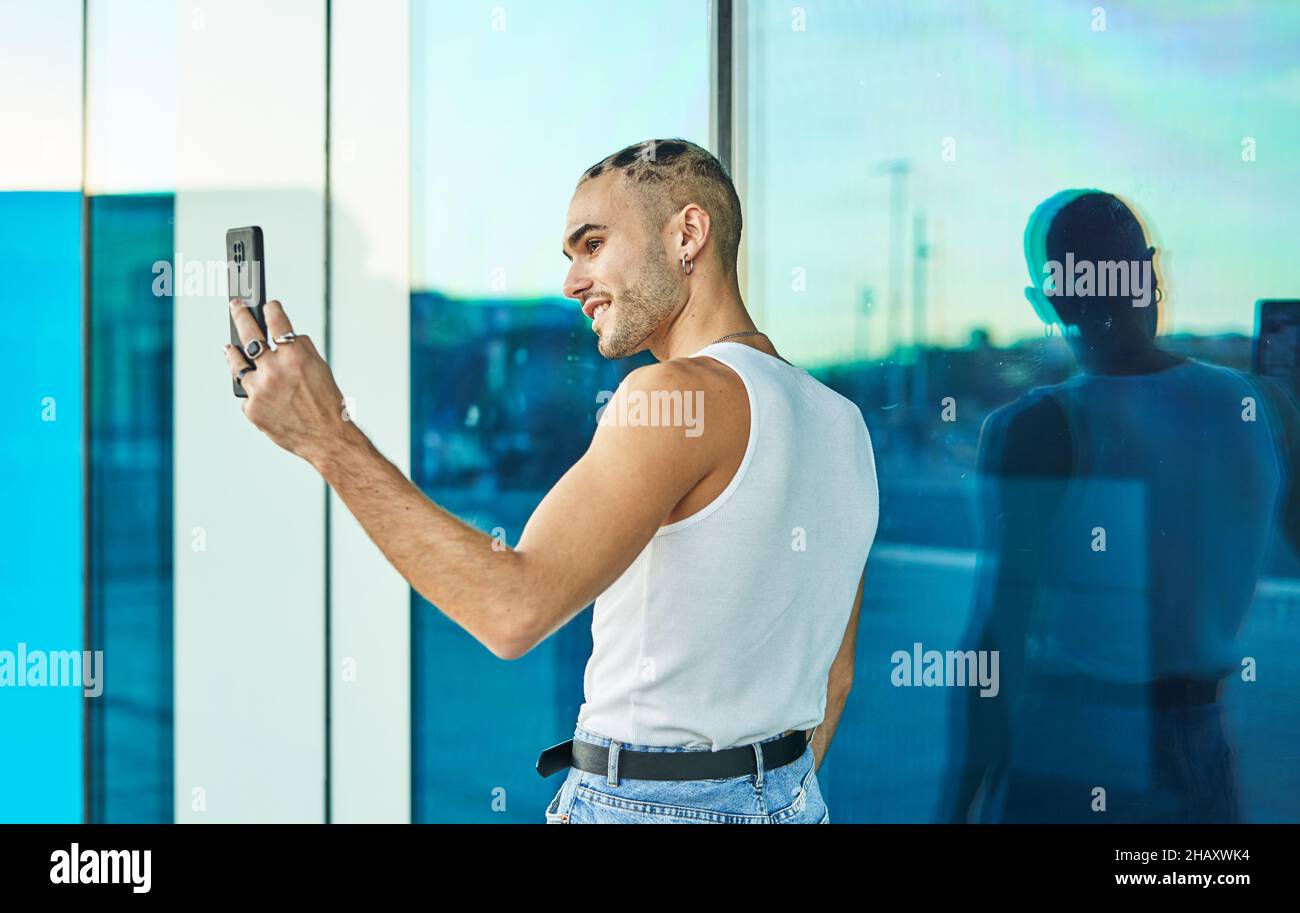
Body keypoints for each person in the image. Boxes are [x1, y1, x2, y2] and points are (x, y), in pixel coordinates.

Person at [221, 138, 879, 824]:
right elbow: (835, 679)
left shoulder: (671, 396)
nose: (572, 282)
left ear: (688, 234)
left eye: (591, 245)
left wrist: (331, 439)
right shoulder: (843, 424)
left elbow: (512, 609)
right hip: (795, 798)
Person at [938, 190, 1300, 823]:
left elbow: (999, 640)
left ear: (1049, 301)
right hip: (1204, 748)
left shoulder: (1037, 427)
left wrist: (956, 805)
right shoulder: (1266, 411)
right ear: (1151, 273)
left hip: (1074, 750)